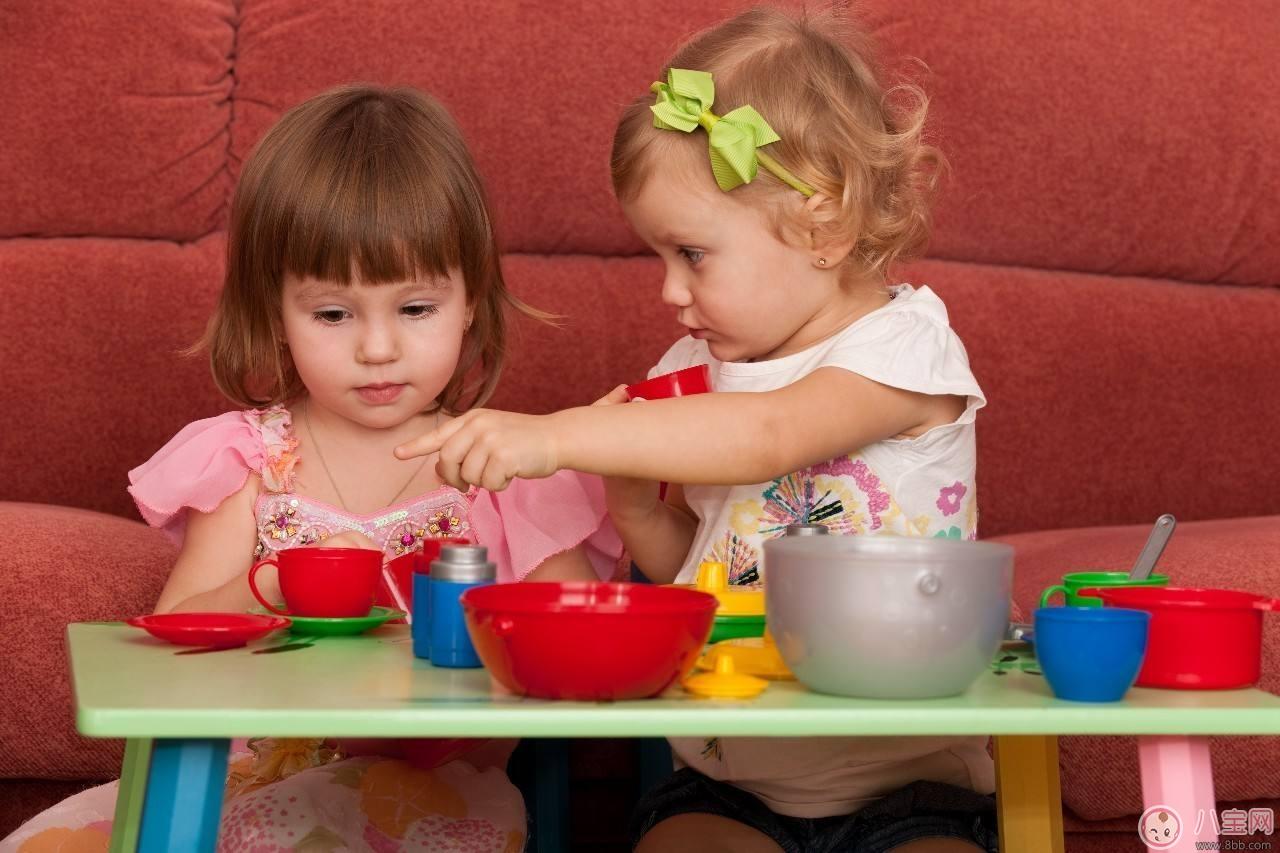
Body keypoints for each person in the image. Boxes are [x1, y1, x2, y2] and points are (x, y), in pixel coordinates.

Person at [394, 8, 996, 852]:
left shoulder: (905, 347)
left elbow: (770, 433)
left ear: (823, 226)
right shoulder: (699, 362)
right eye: (658, 256)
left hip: (909, 789)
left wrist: (555, 436)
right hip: (731, 783)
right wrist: (639, 509)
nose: (670, 291)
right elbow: (704, 563)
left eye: (693, 255)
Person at [4, 83, 620, 853]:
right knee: (50, 841)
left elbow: (581, 647)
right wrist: (275, 582)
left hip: (425, 794)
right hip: (243, 778)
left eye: (416, 309)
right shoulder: (252, 460)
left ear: (470, 301)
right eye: (333, 313)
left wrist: (465, 632)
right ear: (276, 311)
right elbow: (177, 639)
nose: (377, 349)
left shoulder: (502, 468)